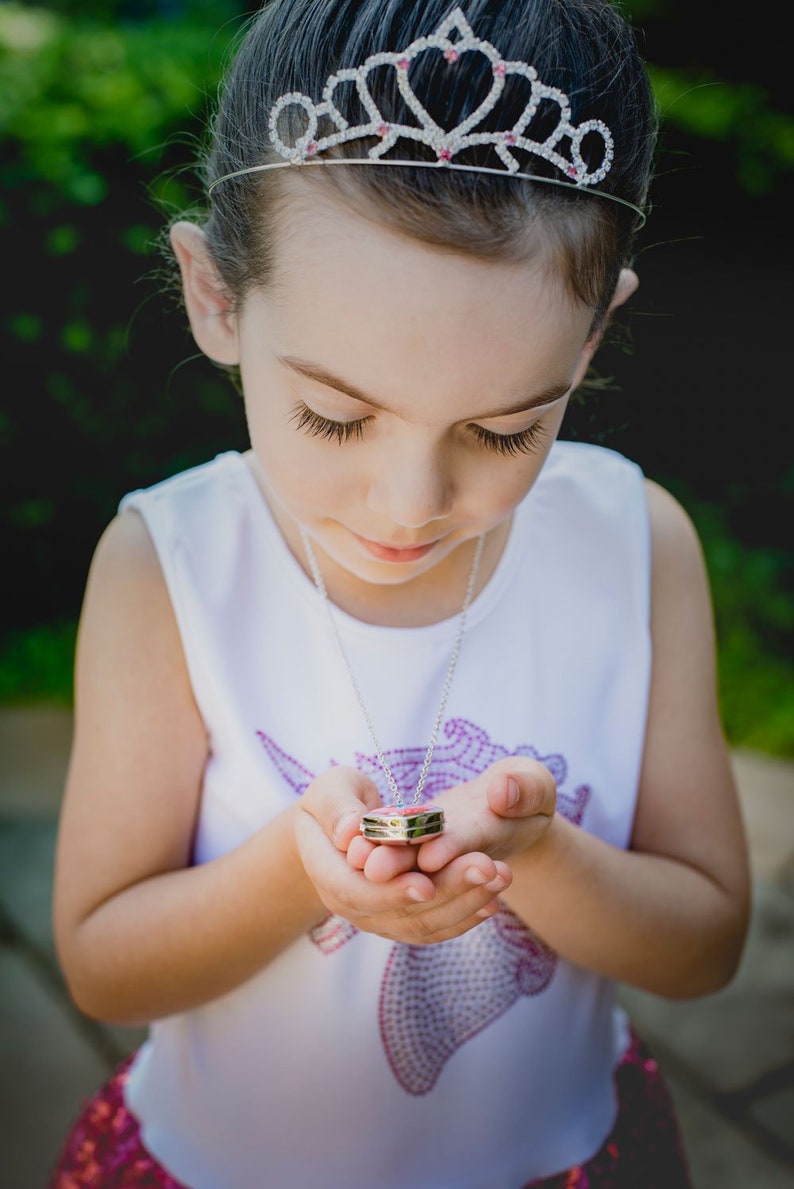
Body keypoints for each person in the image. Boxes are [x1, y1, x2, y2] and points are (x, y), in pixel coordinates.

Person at [49, 1, 751, 1186]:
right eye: (335, 415)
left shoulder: (636, 543)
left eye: (501, 428)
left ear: (587, 344)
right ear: (215, 296)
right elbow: (105, 964)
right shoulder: (167, 568)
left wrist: (534, 854)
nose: (407, 504)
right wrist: (296, 870)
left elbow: (702, 945)